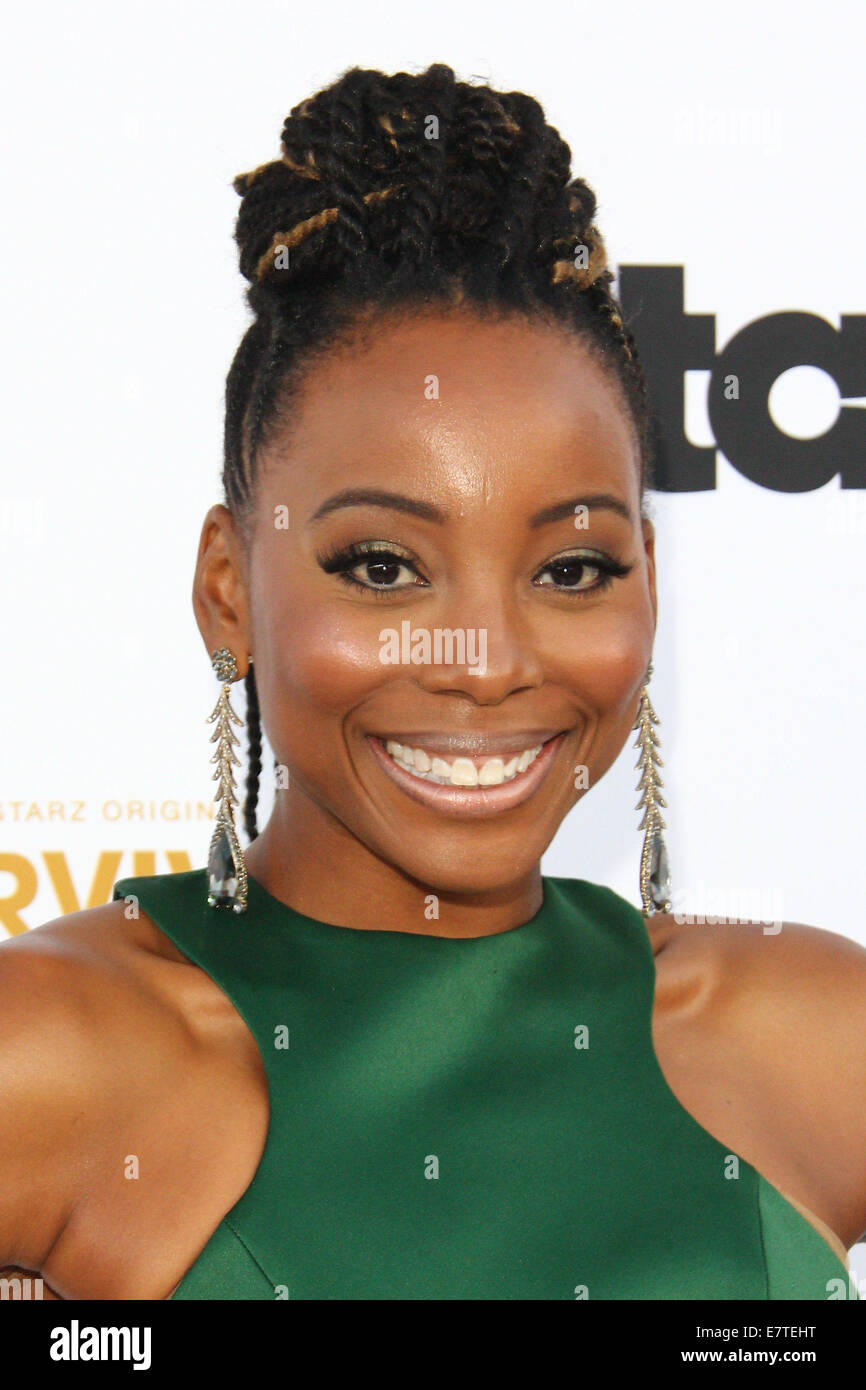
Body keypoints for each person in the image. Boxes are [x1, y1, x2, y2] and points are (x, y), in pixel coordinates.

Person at [1, 62, 864, 1301]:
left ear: (648, 584)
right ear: (228, 589)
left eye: (570, 568)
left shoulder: (811, 1035)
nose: (484, 660)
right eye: (383, 565)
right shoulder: (51, 1054)